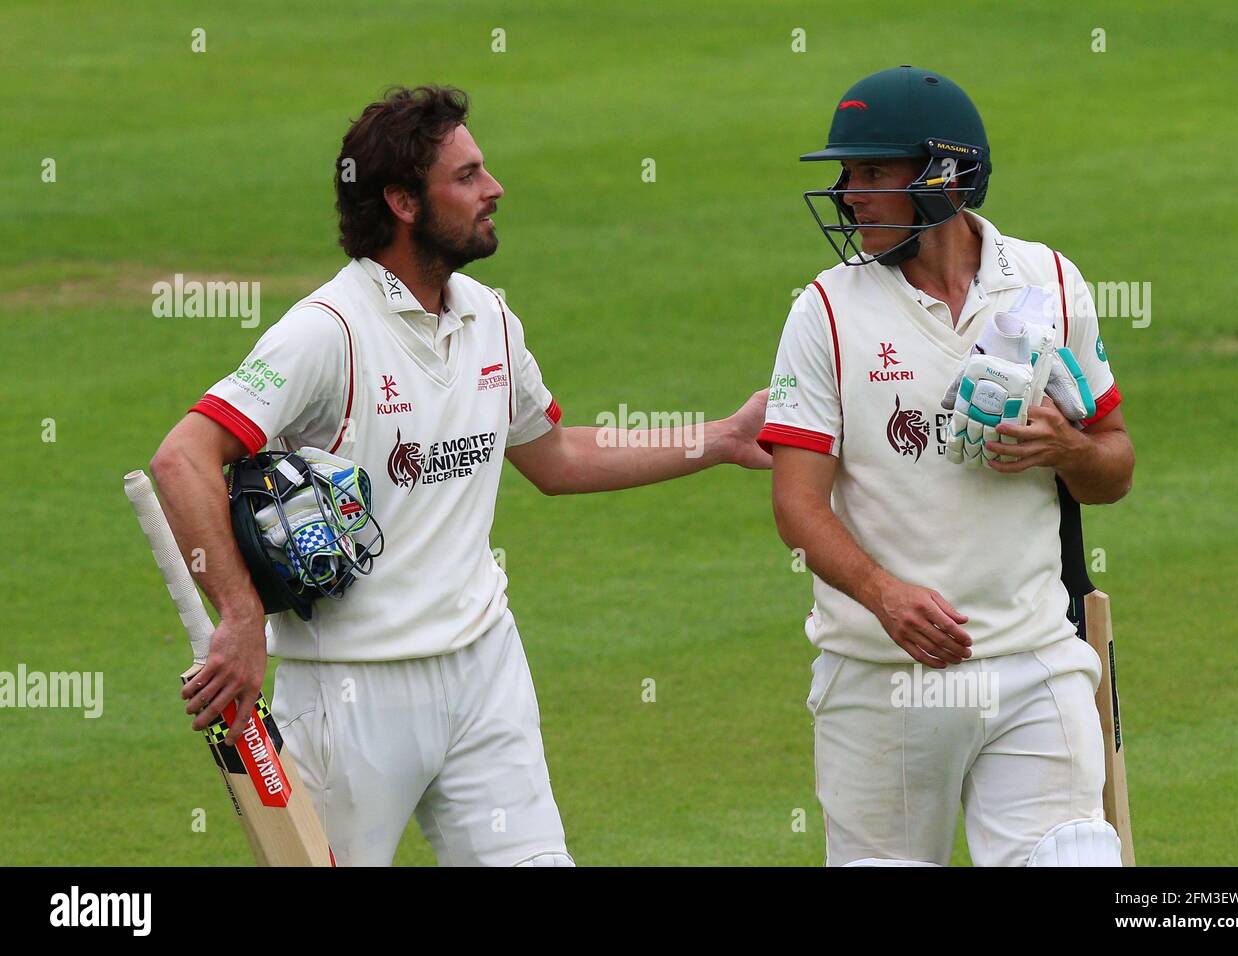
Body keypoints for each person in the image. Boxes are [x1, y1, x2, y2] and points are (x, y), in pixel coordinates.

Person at [150, 85, 769, 866]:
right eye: (468, 176)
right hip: (351, 696)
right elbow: (183, 457)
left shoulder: (489, 317)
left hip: (485, 675)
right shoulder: (326, 332)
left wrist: (717, 438)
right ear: (404, 202)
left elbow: (556, 456)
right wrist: (240, 616)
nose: (495, 188)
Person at [759, 66, 1134, 867]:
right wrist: (883, 594)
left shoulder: (1050, 281)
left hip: (1035, 661)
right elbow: (798, 505)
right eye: (845, 173)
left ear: (946, 175)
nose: (848, 193)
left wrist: (1067, 449)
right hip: (880, 678)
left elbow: (1116, 467)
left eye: (870, 172)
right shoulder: (823, 310)